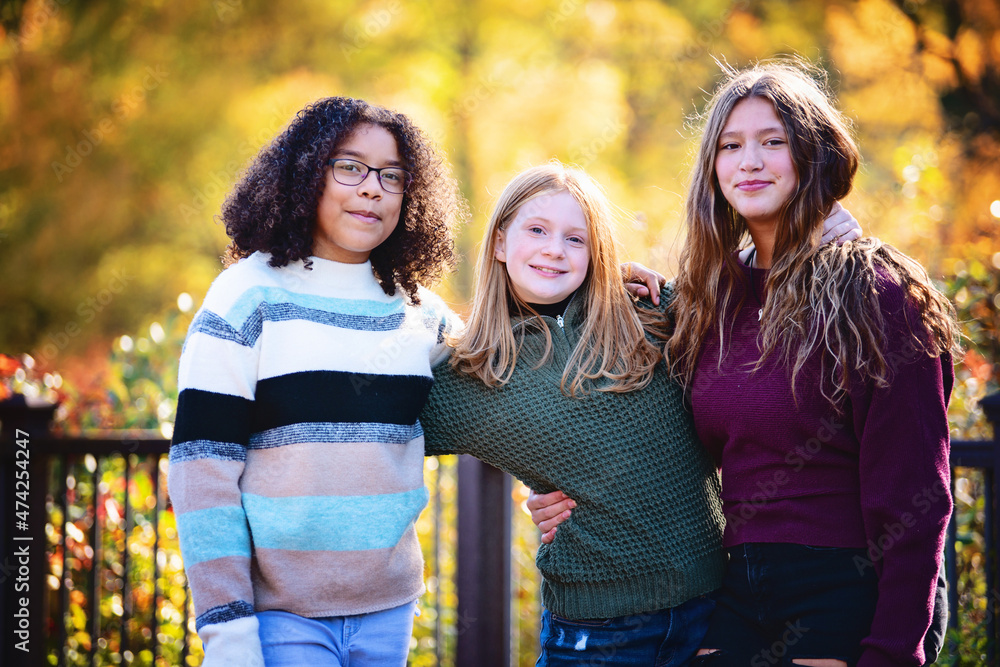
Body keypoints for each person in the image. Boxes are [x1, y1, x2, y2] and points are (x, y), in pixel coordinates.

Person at [531, 61, 959, 667]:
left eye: (772, 142)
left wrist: (894, 651)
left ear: (815, 155)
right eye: (730, 146)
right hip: (734, 588)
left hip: (843, 587)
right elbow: (652, 439)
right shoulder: (712, 301)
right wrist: (567, 493)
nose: (748, 162)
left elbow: (917, 497)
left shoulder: (877, 296)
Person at [168, 97, 465, 667]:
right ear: (306, 173)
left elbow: (512, 375)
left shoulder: (419, 311)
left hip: (390, 611)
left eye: (392, 175)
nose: (372, 188)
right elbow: (201, 471)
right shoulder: (246, 297)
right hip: (277, 616)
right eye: (349, 167)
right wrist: (227, 633)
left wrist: (604, 286)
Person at [419, 161, 729, 665]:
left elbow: (755, 307)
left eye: (575, 239)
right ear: (499, 243)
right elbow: (374, 431)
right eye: (537, 230)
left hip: (714, 611)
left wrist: (826, 228)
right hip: (597, 632)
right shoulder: (472, 371)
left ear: (597, 252)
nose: (553, 249)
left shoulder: (651, 313)